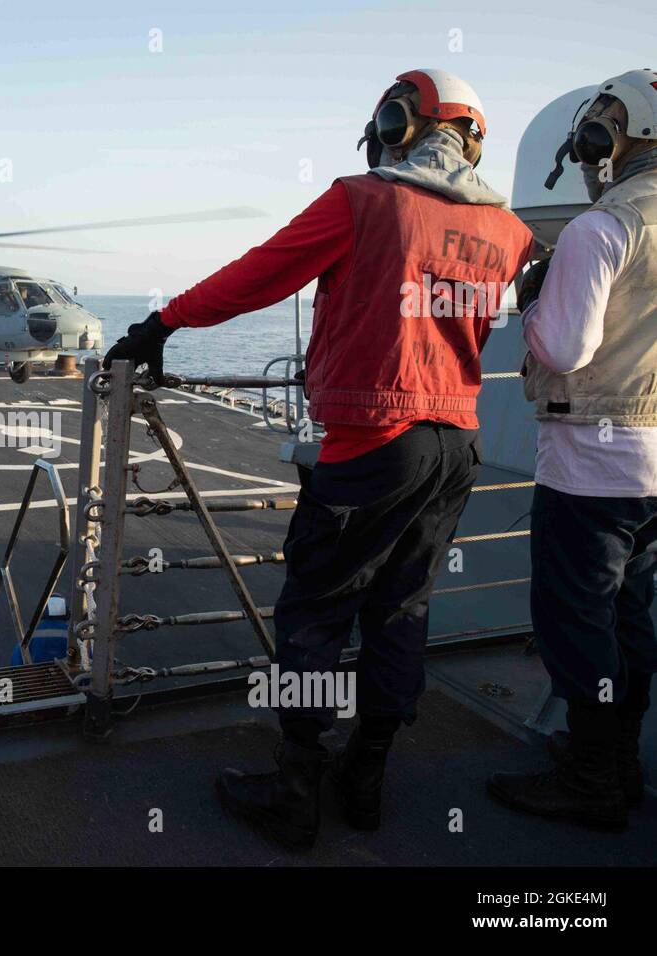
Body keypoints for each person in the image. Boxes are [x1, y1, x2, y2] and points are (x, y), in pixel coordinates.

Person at [104, 70, 533, 849]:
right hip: (457, 447)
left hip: (375, 444)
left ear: (399, 122)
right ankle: (366, 780)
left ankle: (296, 784)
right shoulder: (510, 233)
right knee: (402, 609)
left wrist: (162, 324)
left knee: (315, 610)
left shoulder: (365, 201)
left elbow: (260, 273)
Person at [488, 70, 657, 830]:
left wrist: (532, 303)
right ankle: (616, 761)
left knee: (576, 623)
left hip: (594, 464)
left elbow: (565, 345)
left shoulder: (600, 228)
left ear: (612, 138)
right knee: (631, 618)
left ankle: (593, 778)